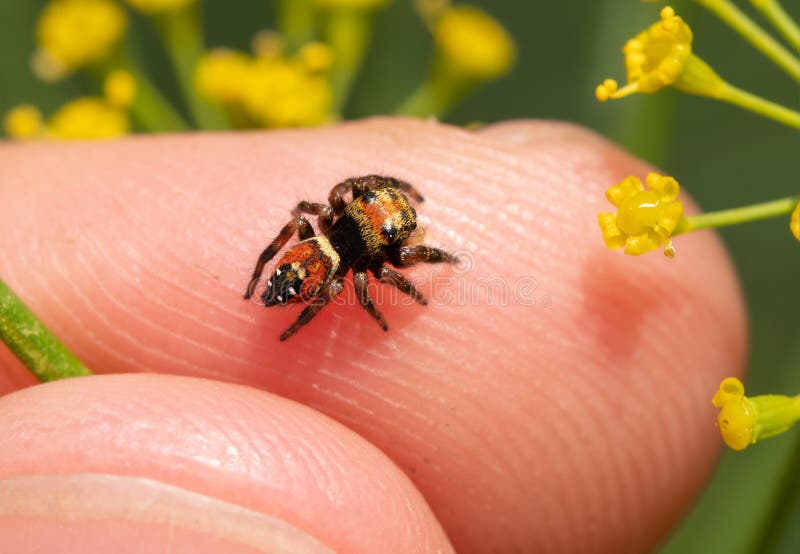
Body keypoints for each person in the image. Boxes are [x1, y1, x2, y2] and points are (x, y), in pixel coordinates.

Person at [0, 118, 746, 553]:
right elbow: (362, 258)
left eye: (398, 214)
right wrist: (330, 302)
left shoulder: (352, 239)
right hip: (318, 264)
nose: (393, 218)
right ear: (366, 218)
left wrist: (408, 275)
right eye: (388, 212)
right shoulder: (342, 254)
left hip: (322, 261)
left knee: (354, 282)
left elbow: (364, 233)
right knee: (342, 286)